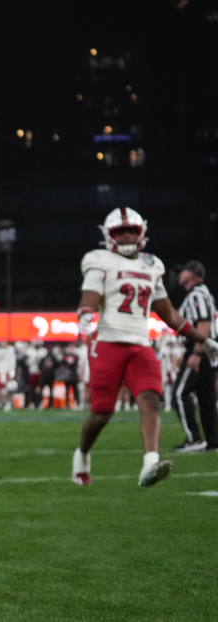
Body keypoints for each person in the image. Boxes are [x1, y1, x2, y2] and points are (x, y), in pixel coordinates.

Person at [72, 208, 218, 487]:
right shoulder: (99, 260)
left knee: (151, 401)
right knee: (101, 413)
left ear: (142, 234)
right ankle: (82, 455)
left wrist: (205, 340)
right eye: (120, 231)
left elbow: (170, 315)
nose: (126, 236)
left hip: (140, 344)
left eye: (131, 231)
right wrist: (86, 316)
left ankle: (150, 464)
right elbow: (88, 300)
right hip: (107, 342)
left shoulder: (152, 264)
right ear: (108, 235)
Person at [170, 260, 218, 452]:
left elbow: (203, 326)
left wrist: (196, 352)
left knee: (179, 393)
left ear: (193, 274)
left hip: (201, 349)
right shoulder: (201, 294)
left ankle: (194, 438)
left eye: (184, 271)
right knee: (206, 397)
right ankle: (213, 441)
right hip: (206, 350)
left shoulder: (197, 295)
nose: (180, 275)